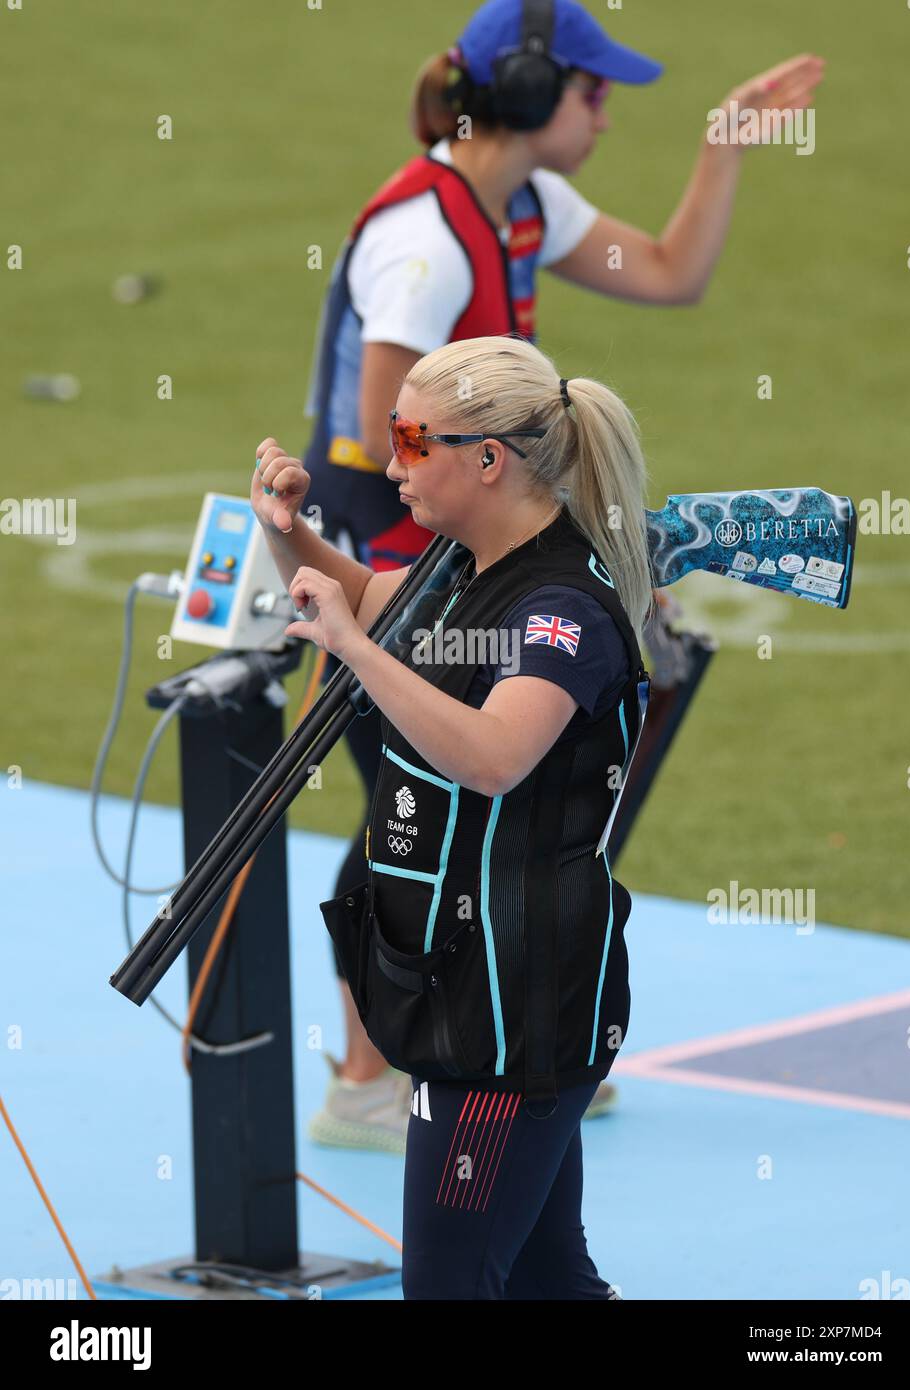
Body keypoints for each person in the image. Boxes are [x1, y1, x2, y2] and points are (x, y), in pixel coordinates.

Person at [299, 0, 824, 1147]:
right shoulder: (424, 241)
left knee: (542, 769)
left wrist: (722, 143)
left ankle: (515, 1025)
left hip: (478, 545)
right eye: (593, 91)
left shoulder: (526, 204)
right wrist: (496, 590)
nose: (603, 111)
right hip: (407, 550)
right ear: (535, 96)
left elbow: (674, 271)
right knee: (415, 796)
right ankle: (367, 1075)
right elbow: (388, 439)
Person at [253, 333, 651, 1299]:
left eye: (410, 439)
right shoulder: (462, 570)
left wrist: (353, 649)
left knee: (451, 1286)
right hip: (476, 992)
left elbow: (493, 756)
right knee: (550, 1280)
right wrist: (287, 533)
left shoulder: (561, 610)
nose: (390, 464)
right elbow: (368, 602)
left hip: (512, 1014)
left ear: (489, 458)